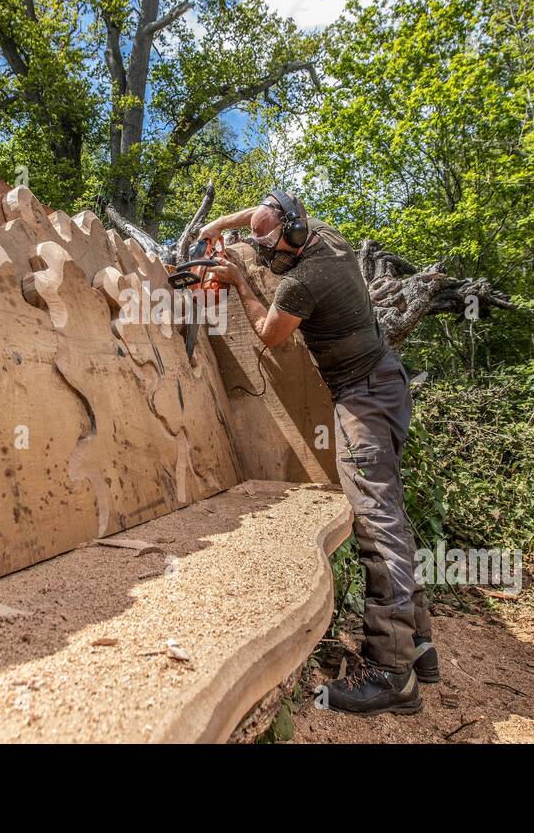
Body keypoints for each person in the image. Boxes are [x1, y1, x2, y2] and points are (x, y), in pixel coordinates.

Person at [199, 190, 437, 715]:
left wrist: (239, 281)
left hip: (363, 397)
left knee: (375, 523)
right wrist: (220, 222)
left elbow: (271, 334)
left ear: (293, 235)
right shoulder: (324, 233)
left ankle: (392, 672)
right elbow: (258, 213)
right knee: (390, 510)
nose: (270, 258)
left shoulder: (306, 280)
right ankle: (417, 643)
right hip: (385, 384)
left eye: (273, 249)